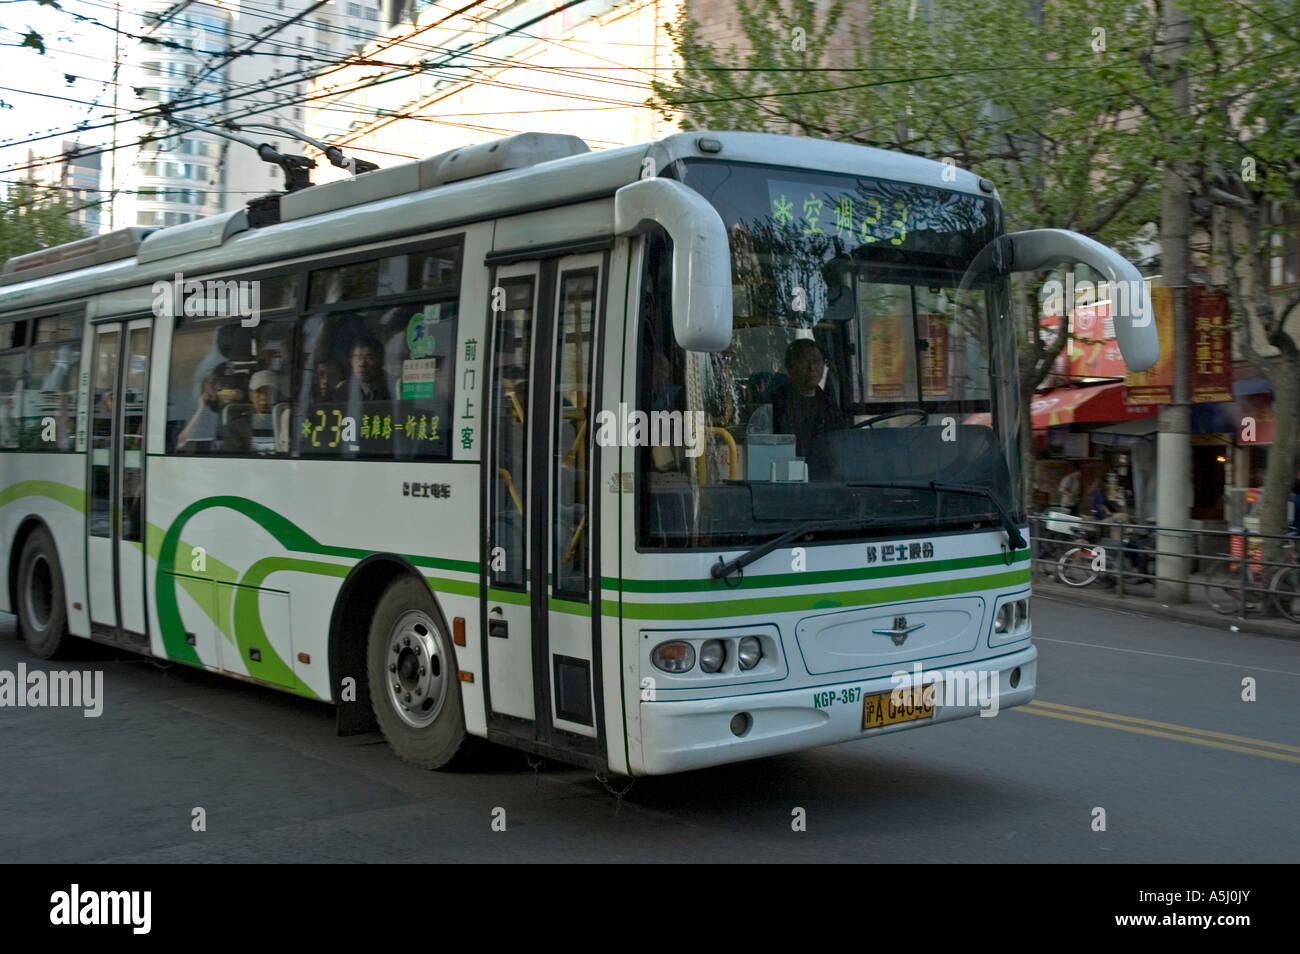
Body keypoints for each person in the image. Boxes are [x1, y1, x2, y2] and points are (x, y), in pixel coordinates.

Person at [770, 338, 844, 458]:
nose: (812, 368)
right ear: (790, 366)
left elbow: (839, 442)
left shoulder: (828, 403)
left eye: (817, 361)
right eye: (805, 361)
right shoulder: (777, 402)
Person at [335, 334, 390, 402]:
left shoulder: (395, 387)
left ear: (381, 361)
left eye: (369, 358)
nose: (362, 364)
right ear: (351, 361)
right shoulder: (344, 391)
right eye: (357, 358)